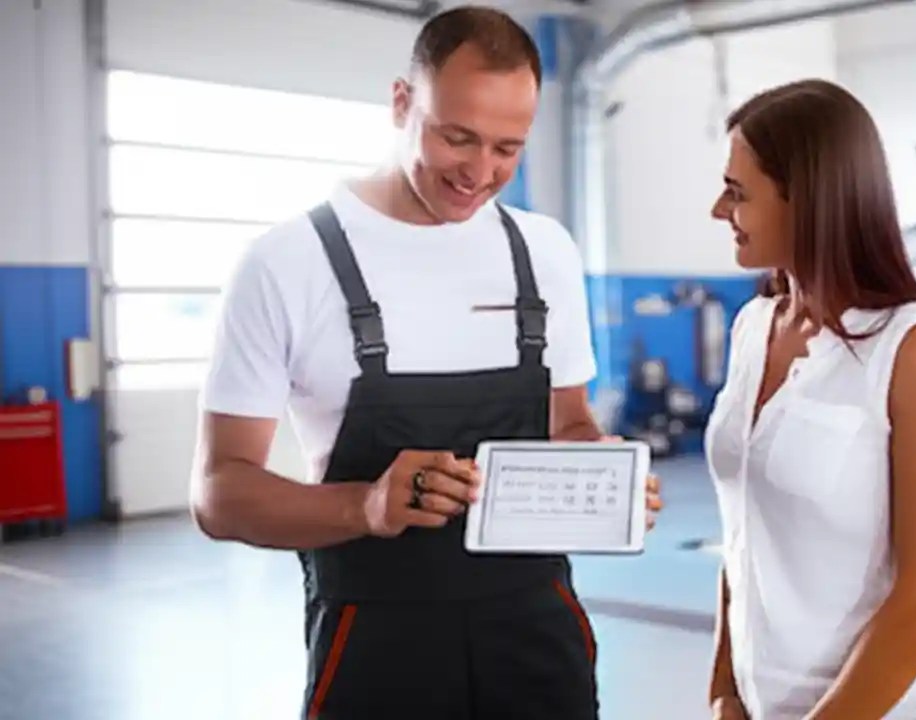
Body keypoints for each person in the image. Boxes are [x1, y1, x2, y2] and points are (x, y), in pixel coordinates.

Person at [189, 7, 661, 719]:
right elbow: (219, 494)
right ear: (402, 103)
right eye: (457, 137)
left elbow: (569, 425)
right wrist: (366, 503)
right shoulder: (288, 262)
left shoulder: (544, 253)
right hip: (376, 638)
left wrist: (603, 478)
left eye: (509, 148)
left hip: (537, 627)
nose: (479, 172)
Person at [703, 79, 916, 720]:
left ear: (809, 201)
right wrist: (725, 689)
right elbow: (742, 539)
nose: (720, 210)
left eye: (738, 192)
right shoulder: (754, 328)